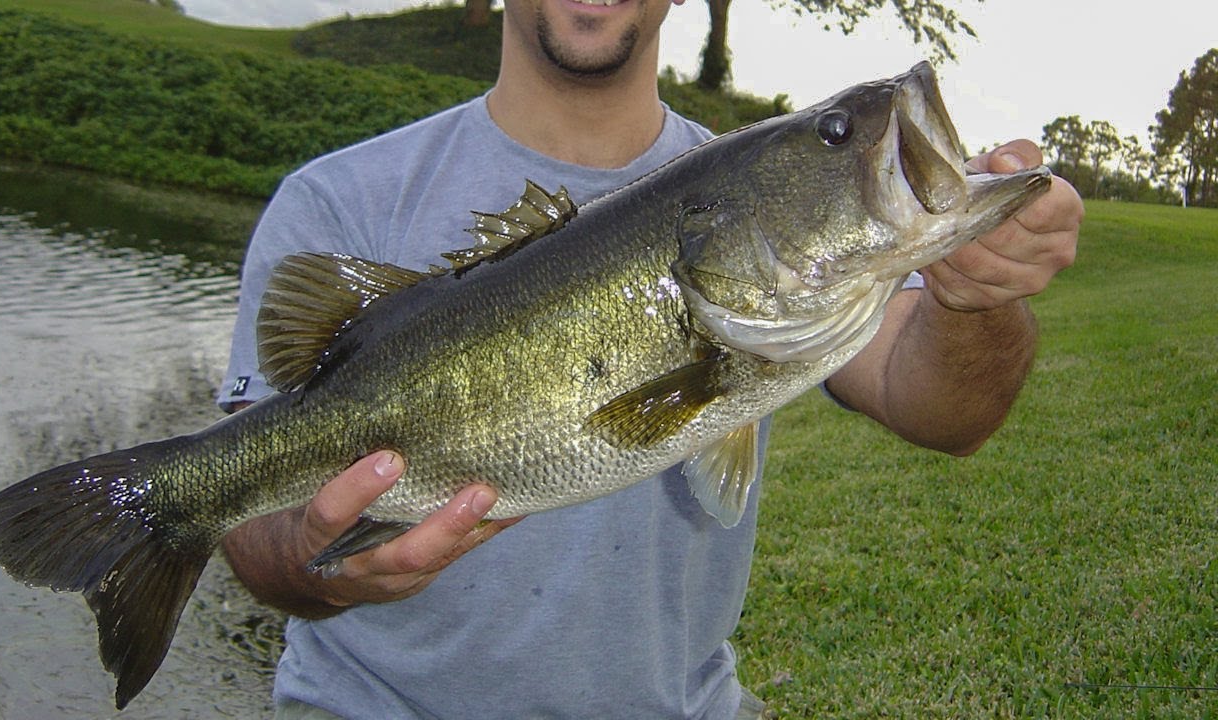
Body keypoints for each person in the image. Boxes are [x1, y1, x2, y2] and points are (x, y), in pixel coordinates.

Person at [216, 1, 1083, 717]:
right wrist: (315, 557)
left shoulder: (750, 204)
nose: (850, 139)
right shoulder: (336, 200)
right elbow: (245, 528)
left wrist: (976, 299)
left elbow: (948, 414)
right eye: (835, 134)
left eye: (833, 134)